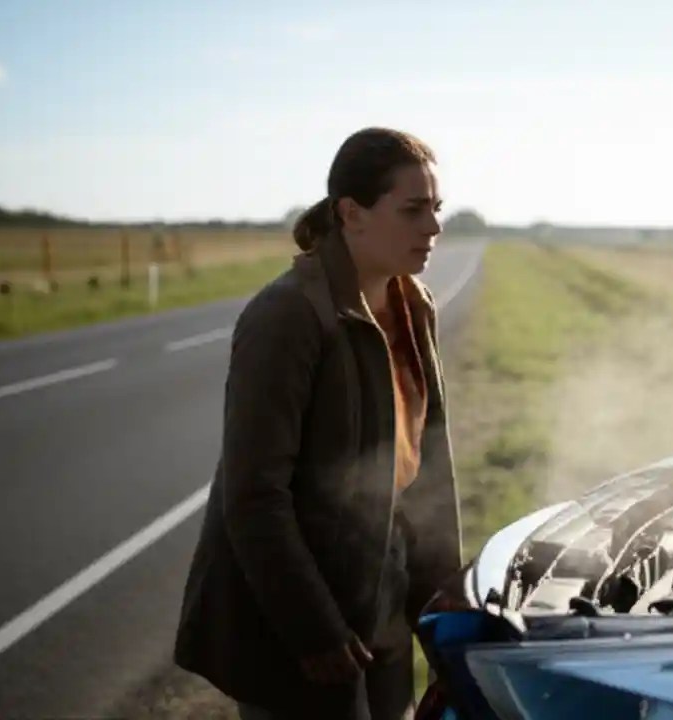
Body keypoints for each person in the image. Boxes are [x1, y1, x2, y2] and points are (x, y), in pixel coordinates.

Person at [173, 127, 463, 719]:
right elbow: (253, 497)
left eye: (436, 209)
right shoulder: (288, 316)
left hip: (381, 594)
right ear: (351, 213)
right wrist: (314, 632)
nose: (433, 228)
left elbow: (426, 474)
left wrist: (442, 619)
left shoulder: (416, 304)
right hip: (293, 619)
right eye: (412, 210)